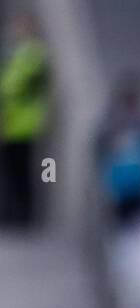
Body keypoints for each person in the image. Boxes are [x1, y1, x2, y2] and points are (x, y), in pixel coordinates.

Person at [0, 12, 49, 227]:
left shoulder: (34, 55)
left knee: (24, 173)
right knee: (11, 172)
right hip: (11, 125)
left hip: (25, 126)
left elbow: (17, 87)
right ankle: (12, 213)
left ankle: (25, 216)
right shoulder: (16, 55)